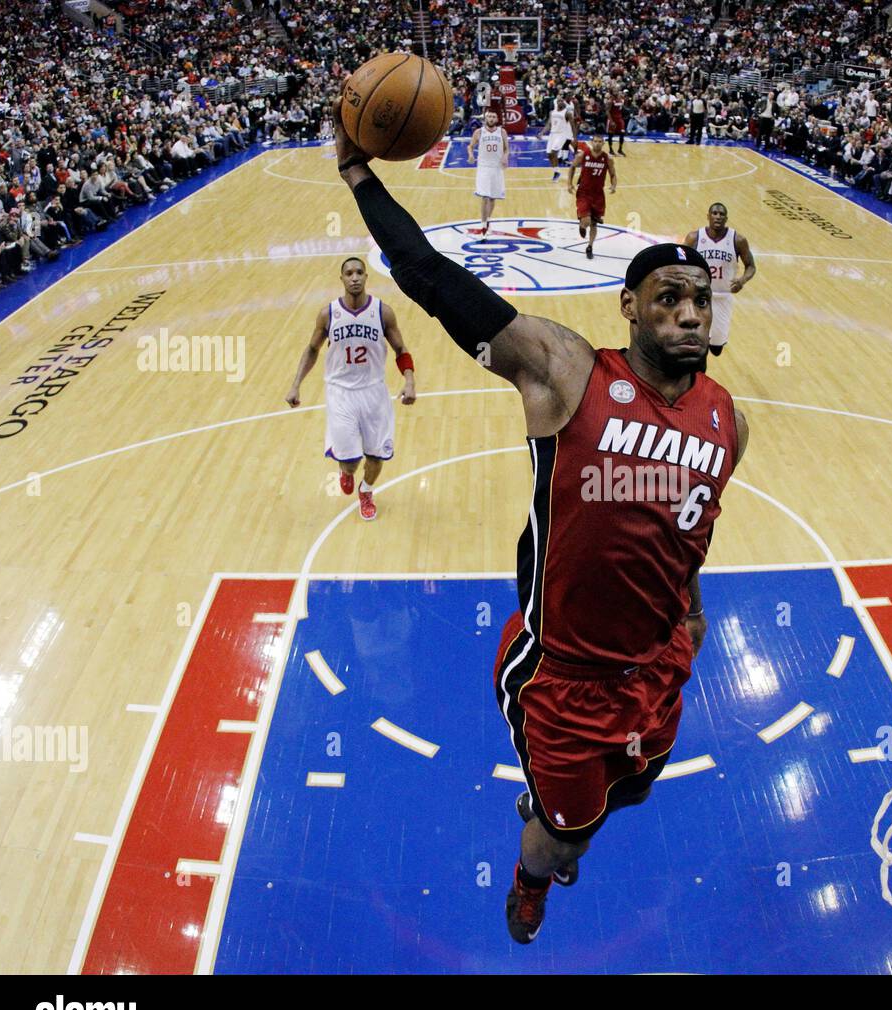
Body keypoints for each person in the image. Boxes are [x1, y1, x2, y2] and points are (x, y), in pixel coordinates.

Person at [332, 100, 749, 945]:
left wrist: (693, 611)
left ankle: (569, 814)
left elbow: (683, 527)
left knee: (630, 790)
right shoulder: (564, 373)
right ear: (628, 307)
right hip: (565, 678)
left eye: (699, 301)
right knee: (563, 834)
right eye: (669, 298)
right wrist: (358, 178)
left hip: (661, 659)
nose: (691, 313)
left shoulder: (728, 419)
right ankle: (531, 880)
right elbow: (436, 280)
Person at [285, 257, 417, 521]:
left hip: (374, 391)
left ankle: (366, 491)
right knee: (351, 461)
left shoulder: (382, 312)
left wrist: (409, 380)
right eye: (349, 273)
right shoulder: (328, 314)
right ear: (342, 279)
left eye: (359, 272)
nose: (354, 277)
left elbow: (401, 350)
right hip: (340, 392)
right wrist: (296, 384)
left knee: (376, 455)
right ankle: (345, 472)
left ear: (367, 277)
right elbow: (312, 349)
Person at [685, 202, 755, 357]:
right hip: (699, 296)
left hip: (723, 297)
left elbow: (751, 266)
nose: (718, 216)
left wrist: (742, 281)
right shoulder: (694, 237)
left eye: (721, 214)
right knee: (696, 342)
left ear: (726, 218)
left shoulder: (738, 240)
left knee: (716, 349)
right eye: (715, 213)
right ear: (708, 216)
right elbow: (682, 263)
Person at [568, 132, 617, 260]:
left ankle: (590, 246)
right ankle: (582, 224)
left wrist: (613, 185)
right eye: (595, 141)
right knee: (587, 221)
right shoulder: (583, 155)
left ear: (603, 143)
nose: (597, 143)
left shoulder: (608, 158)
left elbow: (612, 174)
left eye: (600, 141)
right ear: (592, 142)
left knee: (594, 224)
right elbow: (572, 167)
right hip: (584, 192)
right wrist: (569, 184)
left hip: (598, 194)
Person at [468, 109, 509, 235]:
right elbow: (470, 146)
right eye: (489, 116)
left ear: (496, 119)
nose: (491, 119)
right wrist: (470, 155)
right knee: (485, 196)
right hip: (484, 167)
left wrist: (505, 157)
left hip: (497, 167)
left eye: (493, 117)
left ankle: (488, 220)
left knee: (492, 197)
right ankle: (483, 224)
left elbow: (506, 149)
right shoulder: (479, 132)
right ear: (485, 119)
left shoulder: (502, 132)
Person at [545, 95, 575, 182]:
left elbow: (573, 125)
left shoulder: (567, 113)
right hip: (552, 134)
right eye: (559, 101)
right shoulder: (552, 112)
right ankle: (556, 172)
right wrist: (542, 133)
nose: (561, 102)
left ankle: (561, 162)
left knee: (554, 152)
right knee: (549, 154)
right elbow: (548, 124)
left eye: (562, 101)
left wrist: (575, 137)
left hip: (561, 135)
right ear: (556, 103)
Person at [605, 92, 626, 156]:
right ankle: (611, 150)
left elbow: (621, 109)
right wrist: (611, 121)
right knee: (610, 135)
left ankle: (620, 150)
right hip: (612, 119)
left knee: (622, 133)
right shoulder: (610, 101)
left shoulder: (621, 99)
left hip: (619, 119)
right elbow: (607, 111)